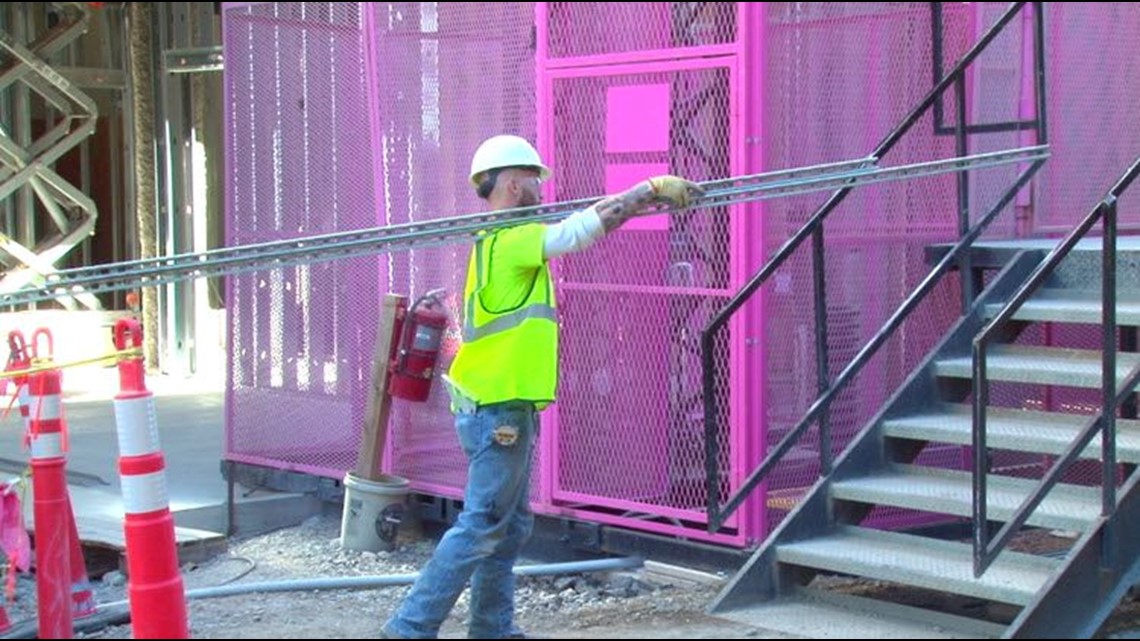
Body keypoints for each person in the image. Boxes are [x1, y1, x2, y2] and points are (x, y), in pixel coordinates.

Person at [381, 134, 703, 639]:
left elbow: (577, 227)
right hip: (498, 408)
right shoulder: (511, 240)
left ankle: (490, 629)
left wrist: (647, 200)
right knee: (483, 523)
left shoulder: (497, 238)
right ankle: (409, 629)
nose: (540, 188)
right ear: (513, 183)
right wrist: (647, 190)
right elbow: (578, 232)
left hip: (500, 404)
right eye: (534, 179)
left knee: (508, 527)